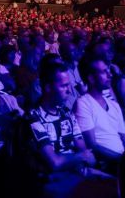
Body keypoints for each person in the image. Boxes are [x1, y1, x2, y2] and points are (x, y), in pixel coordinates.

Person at [29, 61, 114, 197]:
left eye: (69, 85)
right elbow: (54, 163)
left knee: (118, 185)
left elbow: (87, 155)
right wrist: (79, 157)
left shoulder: (66, 112)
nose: (69, 90)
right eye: (64, 86)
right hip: (54, 181)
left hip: (77, 172)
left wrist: (76, 158)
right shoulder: (34, 118)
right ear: (48, 88)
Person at [74, 57, 125, 168]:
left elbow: (124, 139)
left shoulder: (114, 105)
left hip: (122, 160)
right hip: (105, 163)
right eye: (104, 72)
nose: (110, 75)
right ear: (91, 79)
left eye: (108, 71)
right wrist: (122, 160)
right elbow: (91, 145)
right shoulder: (83, 103)